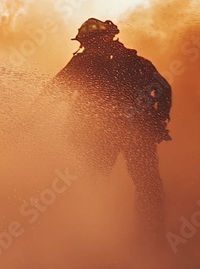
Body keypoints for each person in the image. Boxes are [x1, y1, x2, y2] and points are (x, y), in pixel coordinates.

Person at [54, 18, 171, 236]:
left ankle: (97, 235)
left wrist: (26, 120)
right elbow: (163, 88)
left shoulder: (83, 63)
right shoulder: (135, 61)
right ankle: (150, 236)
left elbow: (52, 93)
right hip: (132, 133)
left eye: (90, 41)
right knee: (146, 185)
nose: (89, 46)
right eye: (88, 42)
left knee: (98, 182)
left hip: (107, 133)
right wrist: (158, 118)